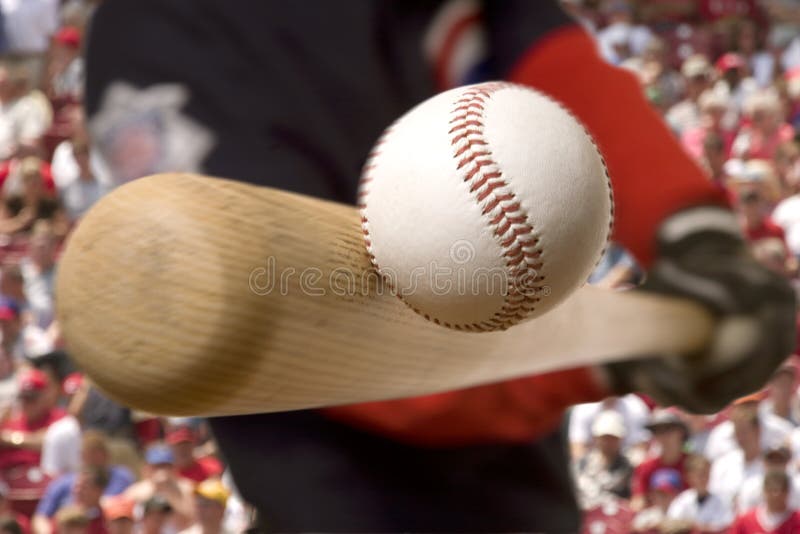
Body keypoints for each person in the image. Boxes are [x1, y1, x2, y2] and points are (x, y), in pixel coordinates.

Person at [85, 1, 798, 530]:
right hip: (350, 504)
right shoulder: (156, 34)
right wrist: (616, 353)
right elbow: (323, 330)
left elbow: (548, 64)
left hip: (522, 491)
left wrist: (695, 233)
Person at [34, 431, 134, 534]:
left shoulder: (109, 523)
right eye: (77, 486)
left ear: (99, 491)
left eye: (85, 487)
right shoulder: (62, 521)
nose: (78, 491)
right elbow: (41, 516)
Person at [123, 445, 194, 532]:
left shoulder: (186, 488)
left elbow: (192, 518)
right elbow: (124, 520)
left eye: (165, 466)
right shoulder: (135, 491)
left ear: (173, 468)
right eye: (157, 466)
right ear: (147, 468)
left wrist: (168, 491)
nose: (161, 471)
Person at [573, 409, 634, 509]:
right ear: (595, 438)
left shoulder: (628, 467)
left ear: (620, 439)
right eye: (605, 438)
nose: (608, 442)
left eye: (612, 438)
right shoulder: (581, 465)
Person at [631, 410, 690, 511]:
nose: (664, 436)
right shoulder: (645, 467)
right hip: (655, 519)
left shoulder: (692, 464)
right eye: (658, 431)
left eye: (668, 429)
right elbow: (638, 501)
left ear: (681, 432)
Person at [666, 454, 735, 532]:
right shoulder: (682, 500)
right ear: (689, 477)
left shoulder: (722, 500)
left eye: (705, 473)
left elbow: (726, 526)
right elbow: (670, 524)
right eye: (699, 475)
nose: (703, 478)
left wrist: (693, 525)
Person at [730, 470, 800, 533]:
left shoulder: (797, 520)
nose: (775, 495)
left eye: (781, 490)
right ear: (764, 491)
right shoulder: (745, 521)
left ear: (787, 492)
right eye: (771, 490)